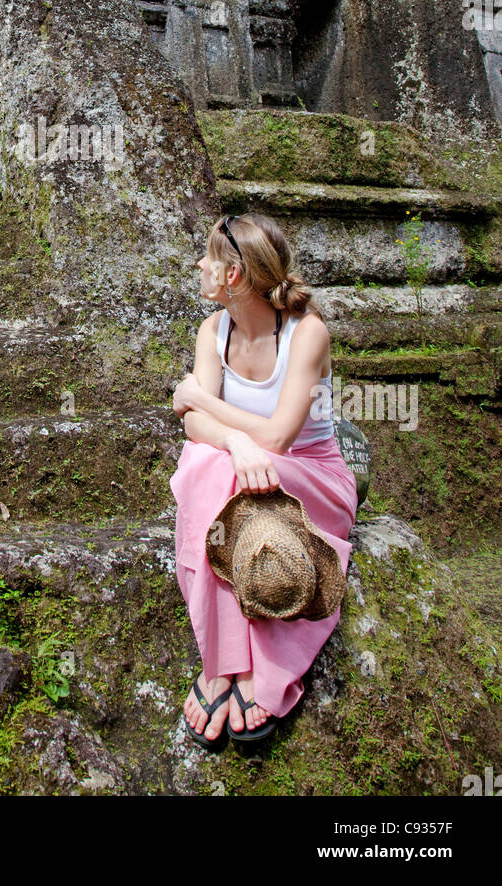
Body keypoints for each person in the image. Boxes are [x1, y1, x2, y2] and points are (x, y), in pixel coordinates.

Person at [170, 212, 358, 747]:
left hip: (313, 473)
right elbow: (196, 428)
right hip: (247, 462)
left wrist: (205, 401)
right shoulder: (214, 330)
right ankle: (222, 663)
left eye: (208, 258)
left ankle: (265, 669)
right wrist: (234, 441)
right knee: (203, 464)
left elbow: (278, 438)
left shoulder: (308, 333)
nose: (200, 266)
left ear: (231, 275)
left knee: (214, 468)